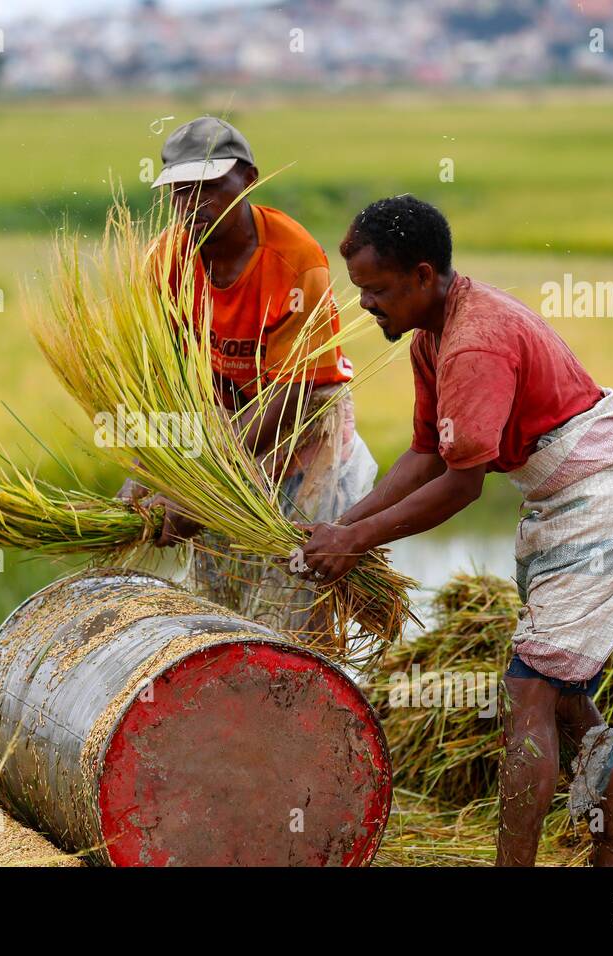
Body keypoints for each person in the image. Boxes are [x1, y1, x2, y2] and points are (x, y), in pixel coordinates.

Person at [297, 194, 613, 866]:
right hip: (564, 505)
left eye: (379, 289)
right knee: (564, 703)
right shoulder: (431, 338)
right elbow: (426, 454)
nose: (367, 305)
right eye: (360, 290)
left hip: (601, 507)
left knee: (530, 690)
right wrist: (340, 525)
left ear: (425, 276)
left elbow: (461, 483)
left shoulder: (474, 342)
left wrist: (354, 543)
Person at [119, 116, 378, 640]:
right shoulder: (165, 263)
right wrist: (150, 471)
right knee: (222, 599)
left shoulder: (293, 259)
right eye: (181, 192)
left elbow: (293, 391)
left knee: (300, 589)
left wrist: (207, 486)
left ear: (249, 179)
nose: (195, 205)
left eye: (210, 188)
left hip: (301, 423)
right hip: (222, 421)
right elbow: (162, 382)